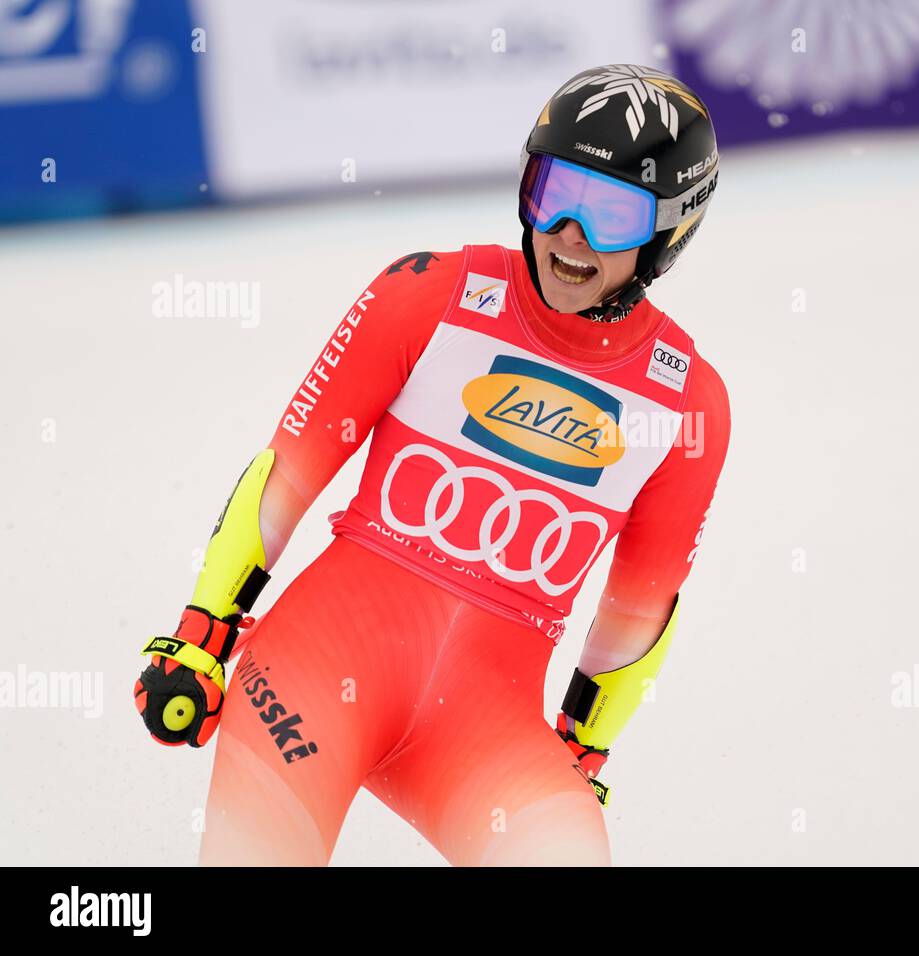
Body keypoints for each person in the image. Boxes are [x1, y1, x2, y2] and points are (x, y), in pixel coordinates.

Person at [133, 63, 730, 866]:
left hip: (483, 734)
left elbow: (639, 611)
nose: (571, 235)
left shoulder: (687, 403)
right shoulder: (430, 293)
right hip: (312, 675)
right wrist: (202, 636)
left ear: (669, 232)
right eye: (555, 192)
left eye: (612, 211)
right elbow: (285, 477)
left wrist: (582, 752)